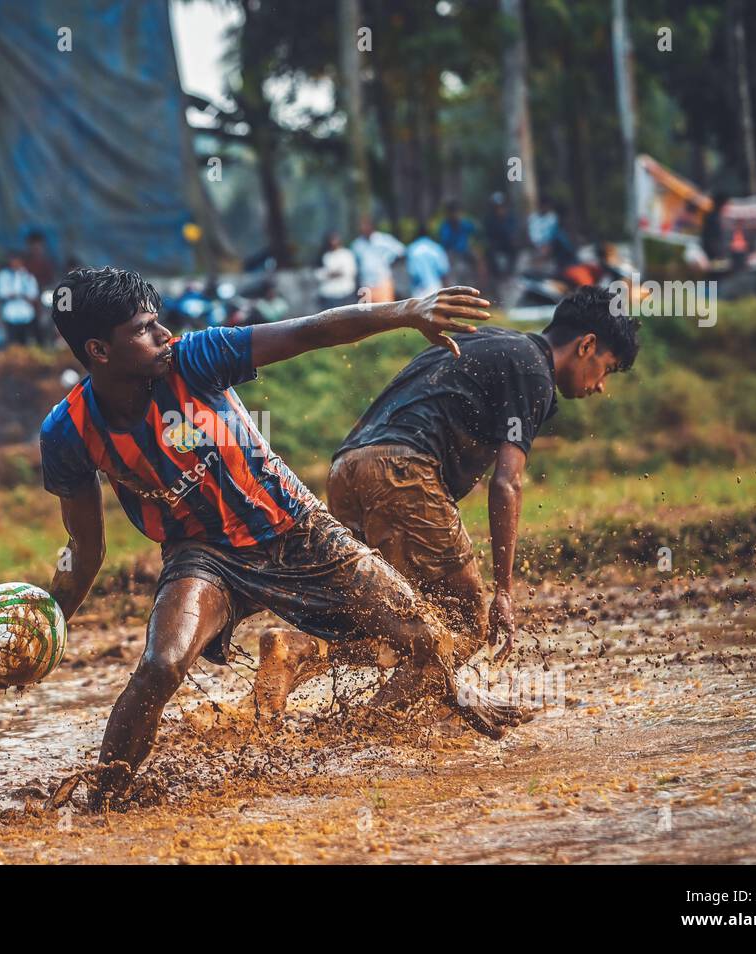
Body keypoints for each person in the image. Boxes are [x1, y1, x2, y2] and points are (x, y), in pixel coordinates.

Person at [39, 266, 528, 809]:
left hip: (298, 530)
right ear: (98, 351)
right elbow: (85, 548)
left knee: (429, 642)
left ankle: (350, 746)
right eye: (144, 329)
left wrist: (405, 312)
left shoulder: (197, 358)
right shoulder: (67, 432)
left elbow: (309, 330)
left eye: (160, 323)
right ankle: (103, 804)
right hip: (204, 557)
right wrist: (52, 623)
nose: (164, 336)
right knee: (159, 665)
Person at [254, 286, 640, 715]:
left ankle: (296, 651)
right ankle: (368, 727)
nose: (601, 385)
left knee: (383, 616)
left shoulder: (493, 343)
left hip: (348, 468)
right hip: (402, 471)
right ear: (586, 345)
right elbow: (507, 483)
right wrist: (505, 593)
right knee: (465, 623)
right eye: (607, 368)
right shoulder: (535, 372)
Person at [350, 217, 404, 303]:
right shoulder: (357, 244)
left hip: (382, 282)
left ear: (371, 226)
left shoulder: (383, 239)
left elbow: (400, 251)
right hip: (366, 284)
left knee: (386, 311)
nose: (363, 228)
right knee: (368, 313)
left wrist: (389, 261)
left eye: (365, 226)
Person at [0, 252, 39, 347]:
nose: (14, 264)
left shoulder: (28, 275)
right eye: (12, 261)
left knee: (26, 343)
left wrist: (21, 294)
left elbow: (33, 295)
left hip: (26, 314)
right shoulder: (3, 275)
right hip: (10, 314)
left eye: (16, 261)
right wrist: (16, 294)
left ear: (21, 262)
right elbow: (1, 293)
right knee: (12, 344)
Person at [437, 200, 480, 285]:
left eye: (457, 212)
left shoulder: (465, 224)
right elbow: (445, 242)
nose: (456, 215)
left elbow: (476, 231)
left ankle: (481, 282)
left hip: (465, 252)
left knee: (478, 259)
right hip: (451, 254)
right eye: (453, 212)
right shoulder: (445, 226)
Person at [315, 232, 358, 310]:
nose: (333, 242)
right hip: (329, 295)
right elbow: (318, 274)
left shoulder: (346, 254)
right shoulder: (324, 255)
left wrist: (337, 273)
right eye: (331, 240)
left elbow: (351, 271)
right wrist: (330, 274)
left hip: (346, 293)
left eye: (335, 239)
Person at [405, 227, 451, 299]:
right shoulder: (436, 247)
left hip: (419, 290)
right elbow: (443, 270)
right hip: (436, 288)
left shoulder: (412, 248)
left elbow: (412, 272)